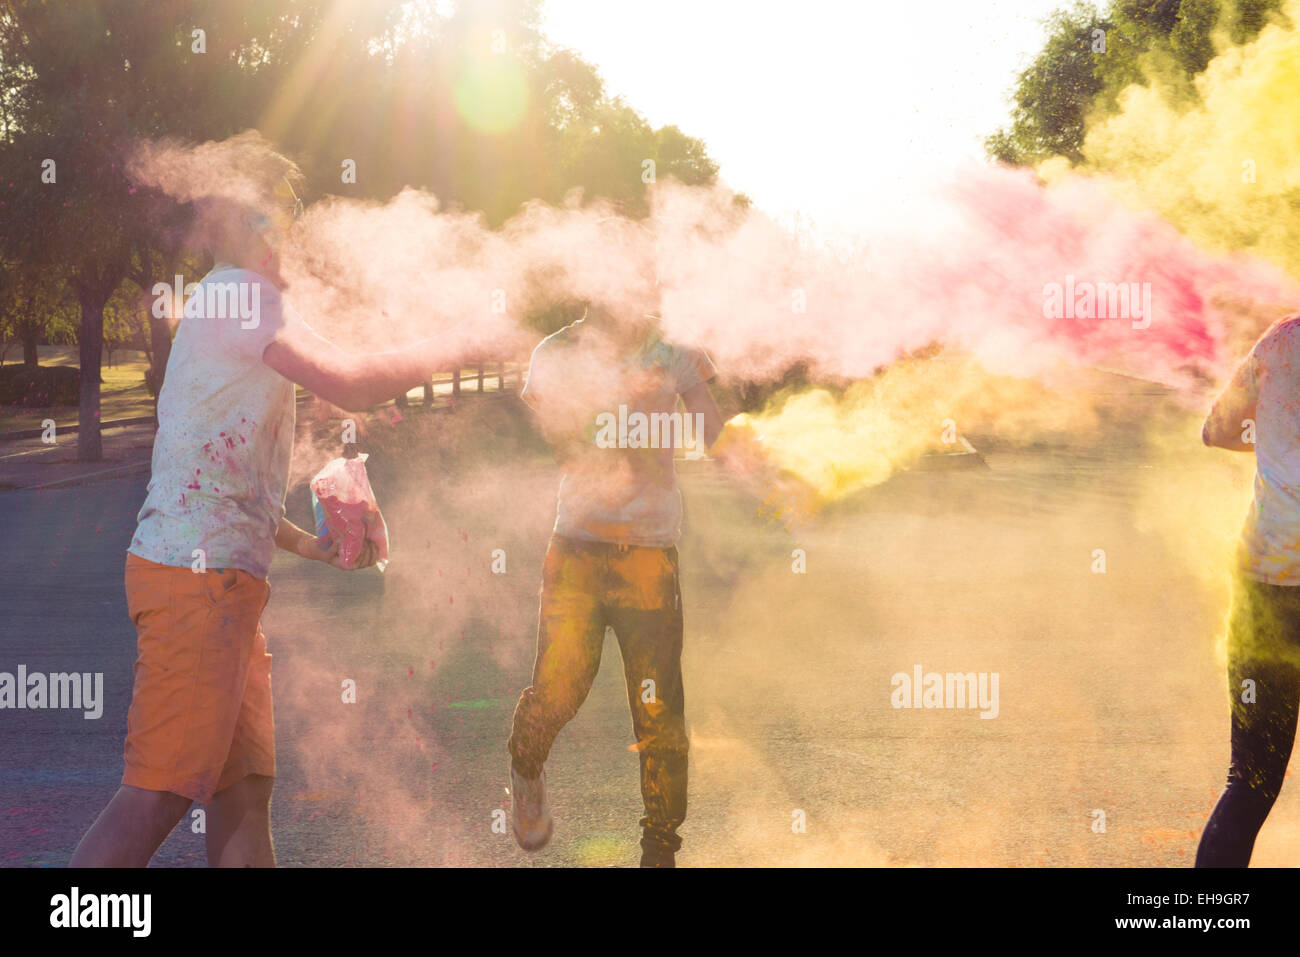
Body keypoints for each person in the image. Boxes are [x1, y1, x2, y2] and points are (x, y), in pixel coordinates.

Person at [71, 147, 472, 867]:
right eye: (283, 208)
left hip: (222, 583)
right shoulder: (245, 298)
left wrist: (311, 545)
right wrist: (457, 341)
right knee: (155, 796)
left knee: (245, 797)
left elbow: (218, 479)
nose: (291, 223)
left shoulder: (228, 299)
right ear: (251, 221)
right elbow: (348, 381)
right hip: (200, 588)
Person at [506, 297, 725, 868]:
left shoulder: (676, 349)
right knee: (561, 688)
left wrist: (753, 458)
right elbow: (556, 438)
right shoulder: (553, 353)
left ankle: (661, 843)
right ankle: (526, 764)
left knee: (658, 707)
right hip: (577, 549)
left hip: (651, 554)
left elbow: (713, 429)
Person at [1199, 312, 1300, 866]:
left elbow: (1216, 430)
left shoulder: (1282, 340)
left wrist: (1276, 445)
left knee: (1252, 783)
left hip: (1266, 580)